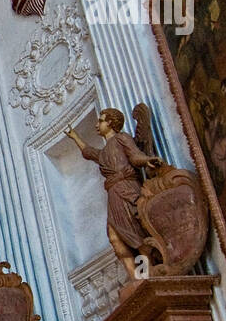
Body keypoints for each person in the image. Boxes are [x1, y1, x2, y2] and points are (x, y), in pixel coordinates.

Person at [65, 109, 162, 277]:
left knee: (137, 236)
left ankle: (149, 273)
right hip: (114, 194)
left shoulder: (121, 139)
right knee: (115, 238)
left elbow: (135, 156)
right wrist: (74, 137)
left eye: (100, 120)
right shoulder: (104, 152)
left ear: (110, 123)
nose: (97, 124)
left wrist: (147, 160)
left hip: (127, 189)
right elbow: (89, 152)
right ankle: (136, 278)